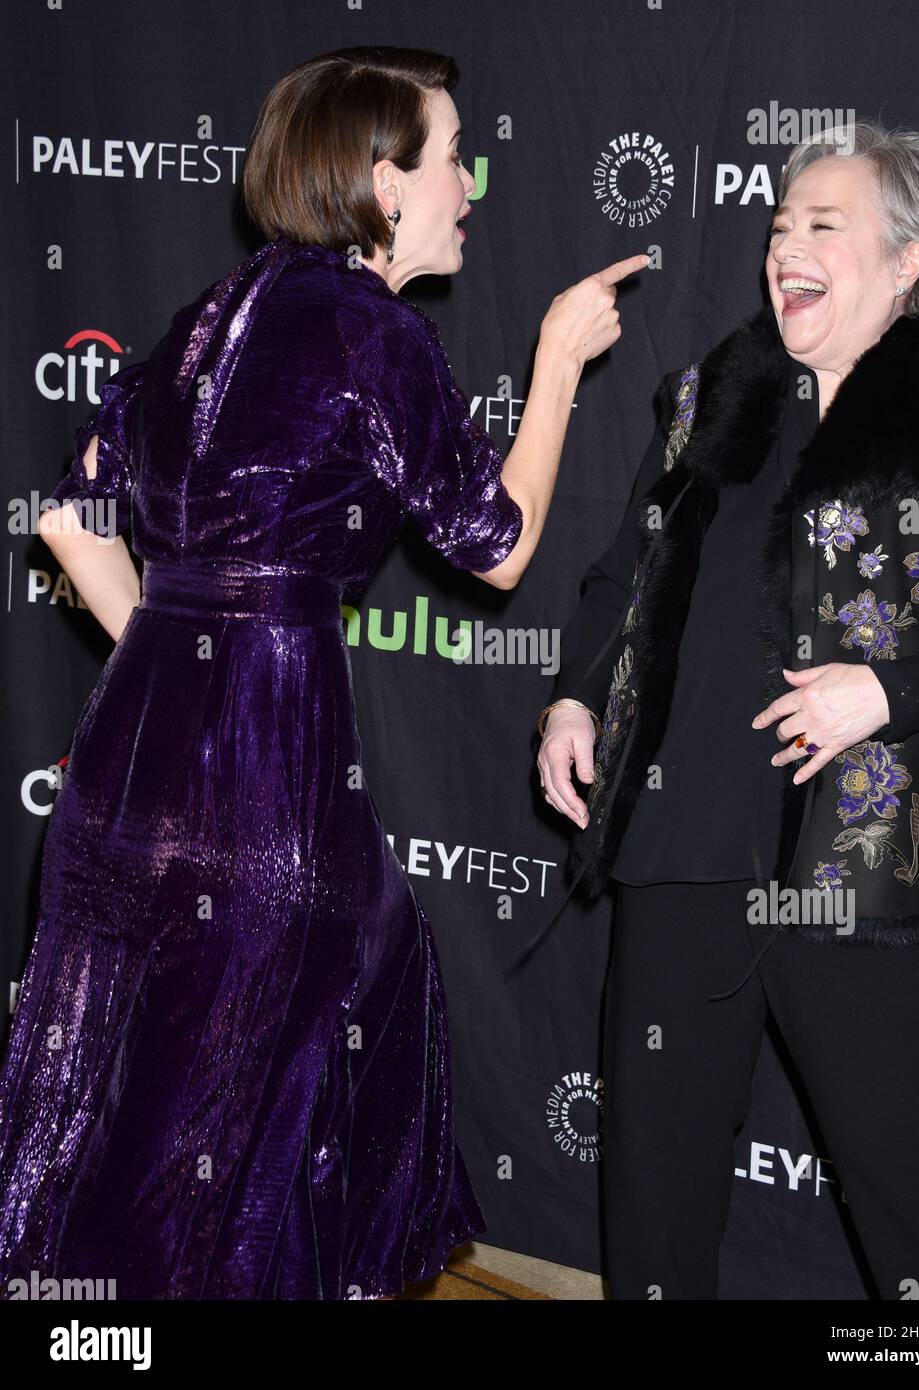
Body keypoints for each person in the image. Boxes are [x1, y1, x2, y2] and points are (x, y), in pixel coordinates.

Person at [0, 45, 647, 1301]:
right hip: (264, 775)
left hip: (129, 764)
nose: (472, 184)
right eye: (455, 156)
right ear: (384, 184)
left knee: (132, 1105)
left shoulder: (204, 316)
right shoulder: (372, 329)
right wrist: (561, 356)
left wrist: (170, 652)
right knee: (240, 1117)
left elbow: (71, 518)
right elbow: (496, 546)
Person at [534, 120, 919, 1300]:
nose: (783, 245)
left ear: (906, 262)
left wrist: (886, 689)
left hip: (857, 863)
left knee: (918, 1191)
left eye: (822, 225)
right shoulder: (710, 402)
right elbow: (621, 574)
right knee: (653, 1197)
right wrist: (572, 698)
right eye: (778, 224)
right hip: (684, 842)